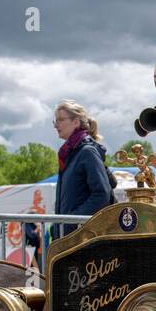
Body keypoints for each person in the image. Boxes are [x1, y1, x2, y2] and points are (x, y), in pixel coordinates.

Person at [52, 100, 112, 236]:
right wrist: (56, 227)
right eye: (55, 121)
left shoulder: (87, 152)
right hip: (69, 237)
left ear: (76, 122)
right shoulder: (69, 154)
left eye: (60, 119)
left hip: (81, 239)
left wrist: (71, 222)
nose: (56, 125)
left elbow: (102, 194)